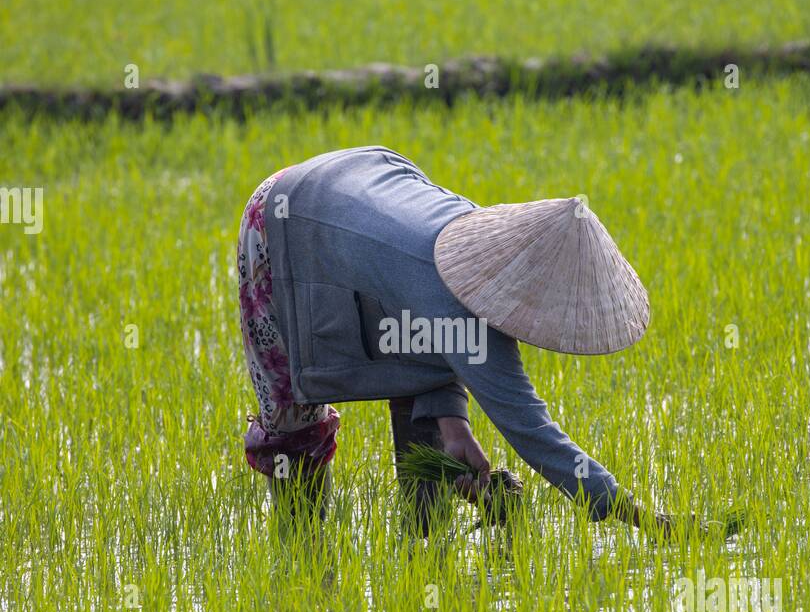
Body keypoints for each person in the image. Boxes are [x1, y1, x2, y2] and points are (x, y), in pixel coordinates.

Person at [237, 144, 676, 536]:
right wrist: (643, 518)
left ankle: (421, 540)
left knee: (408, 368)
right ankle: (305, 559)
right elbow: (532, 431)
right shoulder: (453, 281)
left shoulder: (475, 252)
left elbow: (433, 329)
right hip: (281, 217)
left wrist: (455, 427)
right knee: (293, 422)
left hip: (359, 185)